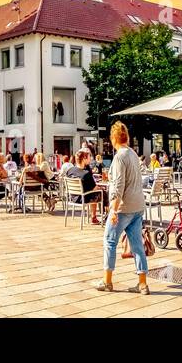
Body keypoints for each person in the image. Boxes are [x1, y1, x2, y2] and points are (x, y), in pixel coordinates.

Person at [94, 121, 149, 295]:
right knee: (137, 246)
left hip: (123, 207)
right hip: (138, 205)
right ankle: (142, 284)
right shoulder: (133, 153)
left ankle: (107, 281)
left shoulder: (119, 157)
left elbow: (118, 185)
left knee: (110, 241)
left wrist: (113, 210)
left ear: (113, 138)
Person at [68, 149, 102, 224]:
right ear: (84, 159)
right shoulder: (86, 173)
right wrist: (100, 188)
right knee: (101, 193)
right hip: (83, 198)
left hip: (72, 197)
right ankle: (95, 217)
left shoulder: (70, 170)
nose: (91, 159)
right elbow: (94, 188)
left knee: (97, 192)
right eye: (89, 157)